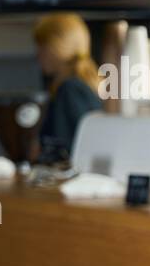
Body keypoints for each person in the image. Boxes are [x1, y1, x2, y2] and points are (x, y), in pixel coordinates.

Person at [31, 12, 103, 164]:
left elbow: (61, 149)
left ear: (56, 46)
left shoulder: (69, 89)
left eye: (41, 47)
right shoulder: (89, 83)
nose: (37, 55)